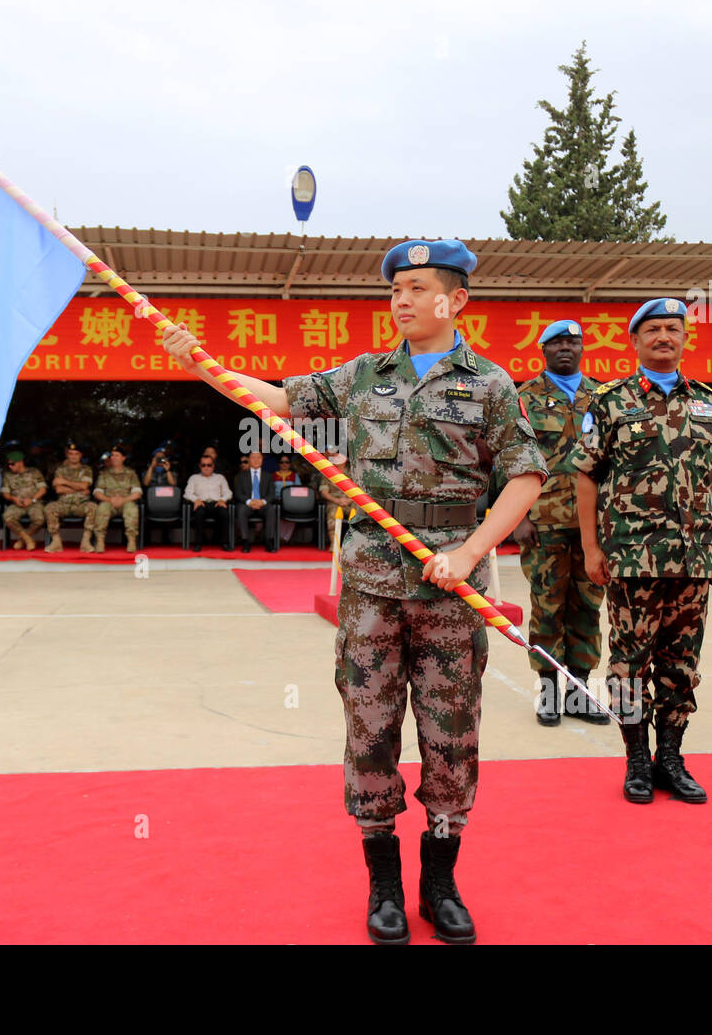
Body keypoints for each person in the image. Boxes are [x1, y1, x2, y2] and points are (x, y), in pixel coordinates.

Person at [162, 238, 547, 946]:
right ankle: (384, 886)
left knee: (451, 739)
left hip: (449, 590)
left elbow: (524, 476)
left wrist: (469, 552)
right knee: (370, 734)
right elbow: (280, 399)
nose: (401, 298)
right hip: (372, 586)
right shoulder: (365, 375)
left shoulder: (490, 385)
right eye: (394, 287)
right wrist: (204, 367)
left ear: (455, 300)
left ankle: (440, 882)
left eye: (417, 286)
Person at [572, 298, 712, 806]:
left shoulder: (707, 402)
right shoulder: (609, 401)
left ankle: (671, 757)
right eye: (653, 330)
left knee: (681, 663)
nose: (665, 336)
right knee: (628, 664)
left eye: (673, 329)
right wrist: (591, 548)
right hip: (631, 559)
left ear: (684, 338)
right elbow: (585, 475)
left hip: (692, 559)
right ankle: (637, 759)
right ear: (635, 341)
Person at [510, 319, 606, 726]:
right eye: (556, 343)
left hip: (593, 526)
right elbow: (509, 457)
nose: (565, 347)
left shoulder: (604, 397)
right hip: (543, 521)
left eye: (572, 341)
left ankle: (580, 691)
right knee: (547, 608)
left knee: (587, 607)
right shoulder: (524, 397)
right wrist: (516, 516)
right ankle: (549, 692)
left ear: (583, 347)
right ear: (543, 351)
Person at [45, 441, 97, 553]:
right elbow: (59, 489)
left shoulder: (86, 469)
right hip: (63, 503)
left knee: (93, 507)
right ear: (67, 455)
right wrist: (79, 487)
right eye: (71, 453)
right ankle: (56, 542)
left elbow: (85, 485)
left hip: (81, 504)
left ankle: (86, 542)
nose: (73, 456)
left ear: (81, 455)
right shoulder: (60, 470)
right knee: (50, 508)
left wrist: (64, 481)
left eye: (76, 453)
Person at [90, 445, 142, 553]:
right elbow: (97, 492)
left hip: (126, 501)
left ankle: (131, 541)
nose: (114, 458)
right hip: (109, 501)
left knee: (132, 509)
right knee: (102, 508)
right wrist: (109, 500)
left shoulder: (131, 474)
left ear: (123, 458)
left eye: (117, 455)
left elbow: (137, 492)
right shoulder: (104, 474)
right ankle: (100, 541)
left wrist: (124, 500)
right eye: (112, 455)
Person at [182, 453, 232, 550]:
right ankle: (198, 543)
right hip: (201, 503)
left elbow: (228, 492)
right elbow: (187, 493)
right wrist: (195, 499)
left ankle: (225, 543)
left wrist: (223, 499)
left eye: (209, 465)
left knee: (224, 513)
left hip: (216, 503)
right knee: (199, 513)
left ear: (213, 466)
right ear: (200, 466)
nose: (206, 467)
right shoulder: (194, 478)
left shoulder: (220, 477)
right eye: (203, 465)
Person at [0, 450, 47, 550]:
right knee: (7, 517)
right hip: (17, 503)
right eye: (8, 464)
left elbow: (43, 490)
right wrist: (13, 498)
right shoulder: (8, 475)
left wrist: (32, 500)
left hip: (34, 503)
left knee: (39, 519)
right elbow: (5, 493)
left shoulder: (34, 472)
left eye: (12, 464)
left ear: (20, 462)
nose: (10, 466)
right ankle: (28, 539)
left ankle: (22, 540)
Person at [234, 448, 277, 552]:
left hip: (262, 505)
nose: (256, 460)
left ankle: (269, 541)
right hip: (248, 504)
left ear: (262, 460)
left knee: (271, 509)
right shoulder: (241, 476)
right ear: (249, 459)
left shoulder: (268, 476)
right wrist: (250, 502)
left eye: (259, 457)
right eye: (253, 457)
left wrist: (262, 502)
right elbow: (238, 493)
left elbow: (272, 494)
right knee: (241, 510)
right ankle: (245, 541)